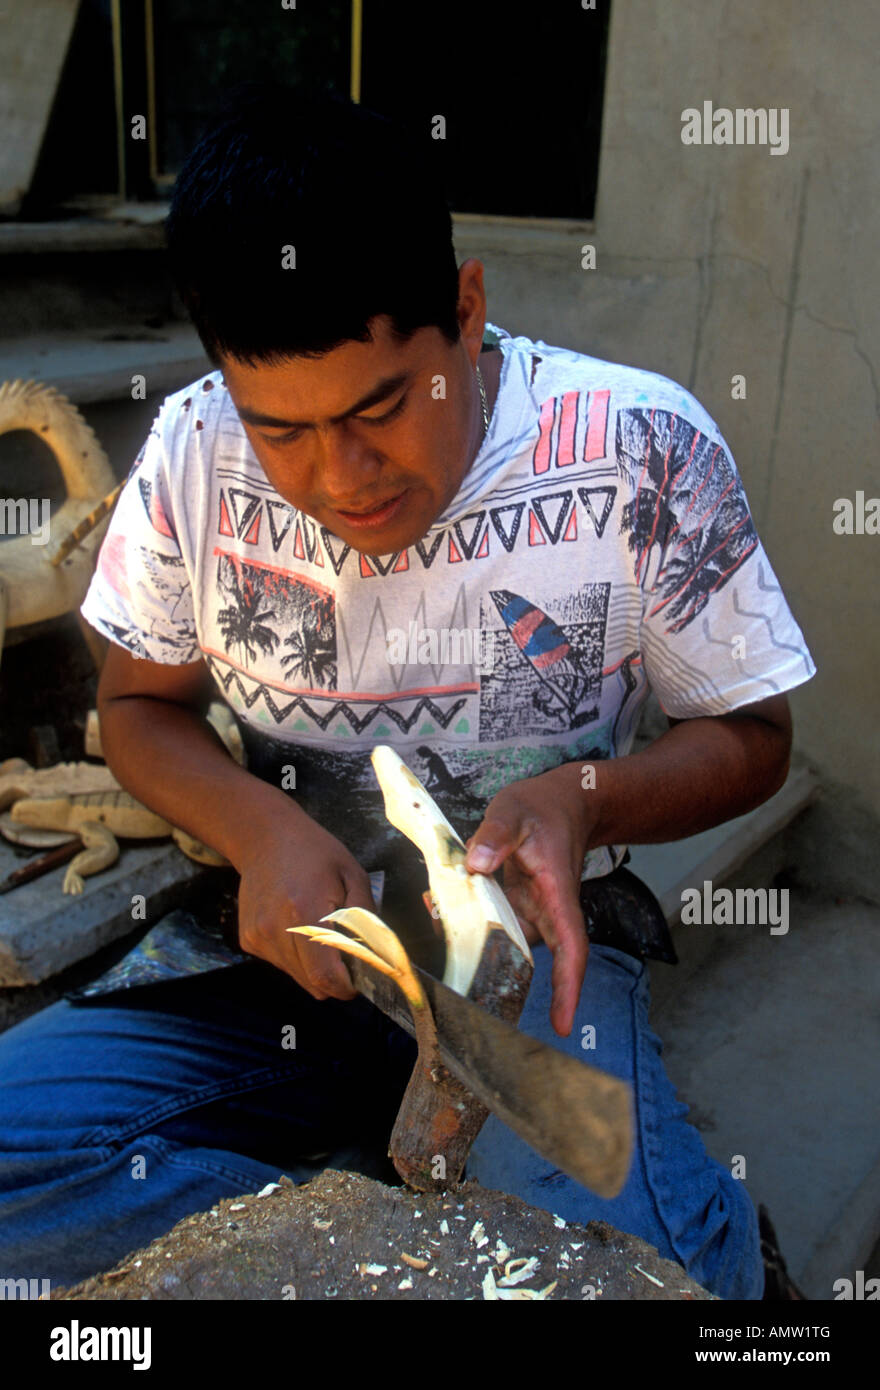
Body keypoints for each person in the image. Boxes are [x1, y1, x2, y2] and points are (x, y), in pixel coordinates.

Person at [0, 84, 815, 1300]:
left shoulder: (638, 445)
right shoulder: (189, 449)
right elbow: (138, 708)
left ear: (467, 310)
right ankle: (372, 1249)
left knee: (643, 1276)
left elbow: (750, 737)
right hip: (273, 954)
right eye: (283, 430)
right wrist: (263, 830)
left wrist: (582, 797)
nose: (340, 477)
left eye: (383, 406)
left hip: (531, 968)